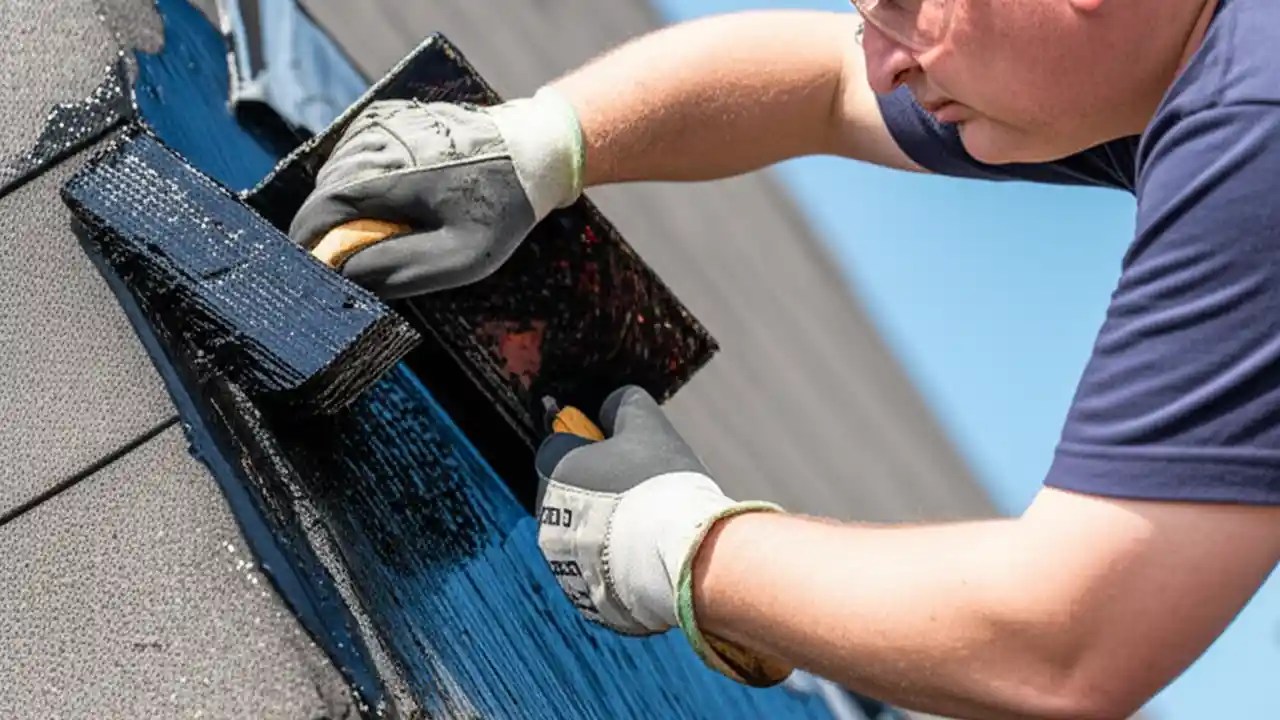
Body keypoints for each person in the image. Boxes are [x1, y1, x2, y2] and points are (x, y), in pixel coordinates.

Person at [289, 1, 1280, 717]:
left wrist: (680, 547)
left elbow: (1067, 647)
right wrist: (536, 144)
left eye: (904, 6)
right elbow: (823, 84)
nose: (885, 59)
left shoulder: (1258, 129)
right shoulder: (1162, 56)